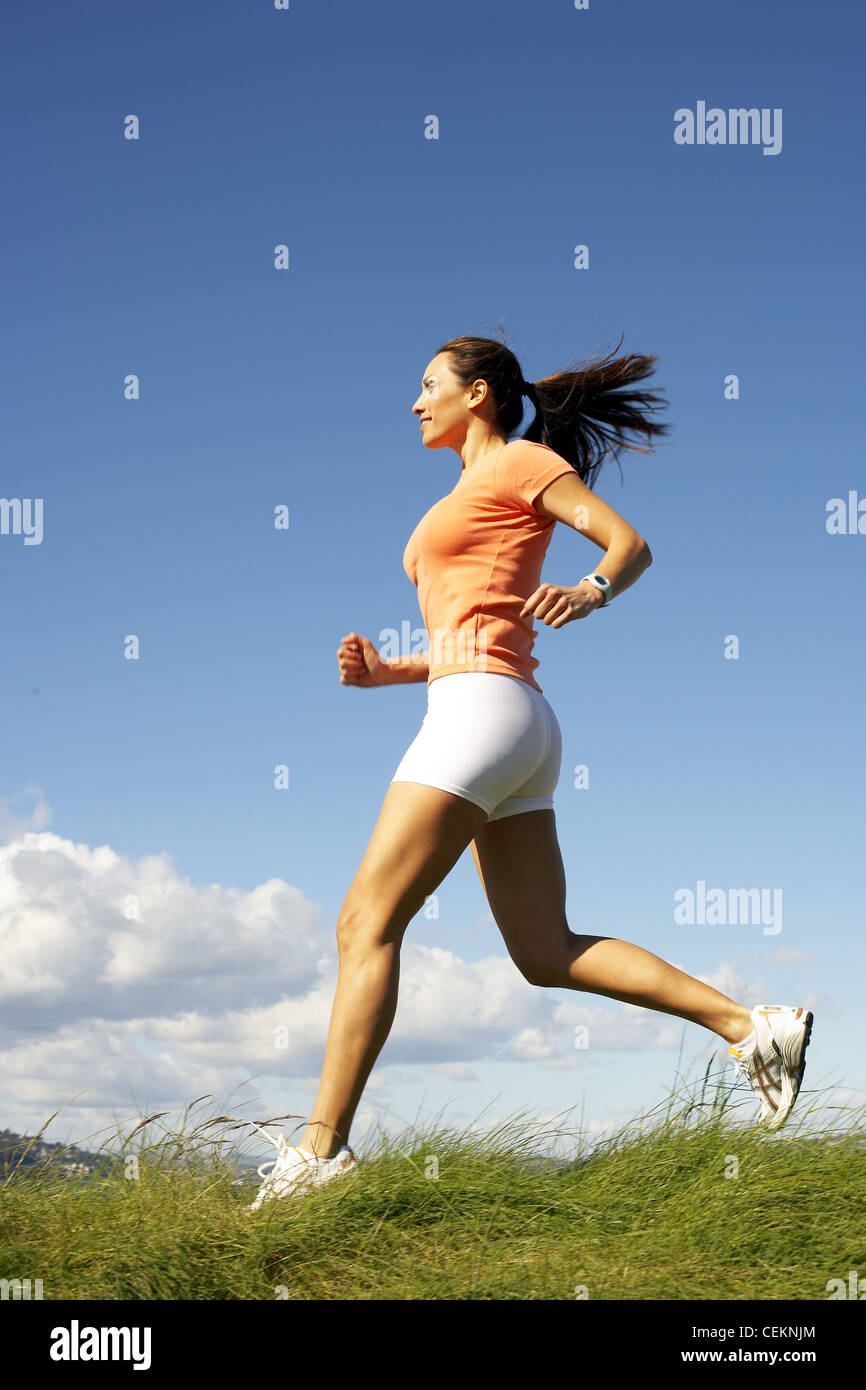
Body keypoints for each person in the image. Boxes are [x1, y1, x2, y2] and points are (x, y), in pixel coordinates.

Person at [247, 333, 813, 1211]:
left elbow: (628, 544)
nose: (414, 401)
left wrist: (589, 590)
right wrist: (385, 672)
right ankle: (752, 1027)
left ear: (478, 394)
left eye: (428, 385)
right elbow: (464, 638)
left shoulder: (521, 461)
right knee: (545, 952)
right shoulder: (469, 488)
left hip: (484, 716)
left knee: (365, 924)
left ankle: (320, 1153)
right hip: (501, 715)